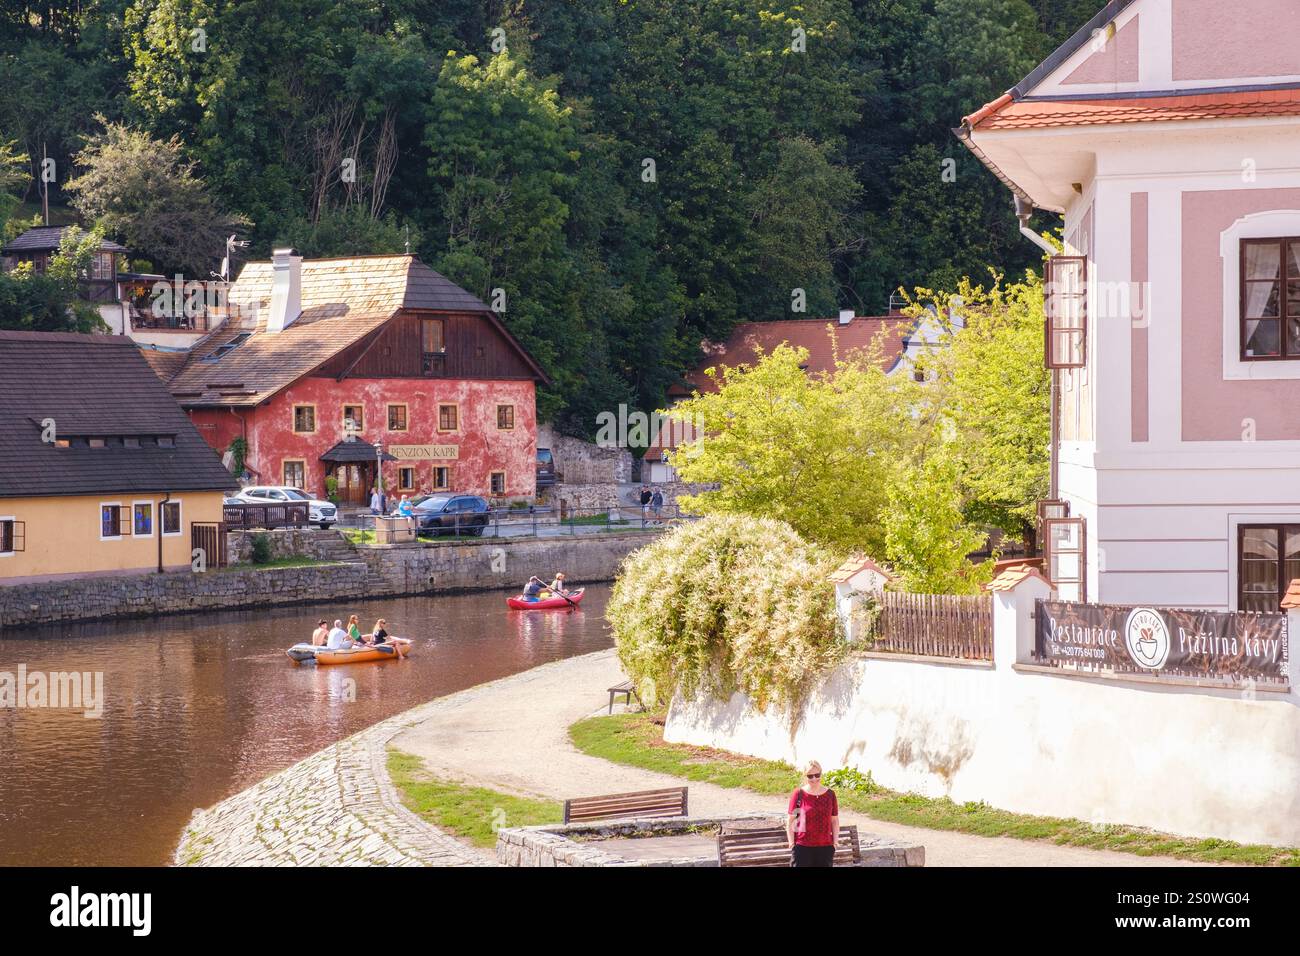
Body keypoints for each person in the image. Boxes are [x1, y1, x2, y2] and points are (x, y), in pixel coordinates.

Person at [786, 760, 839, 867]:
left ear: (821, 774)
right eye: (810, 776)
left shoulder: (830, 795)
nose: (814, 779)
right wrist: (792, 844)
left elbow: (834, 820)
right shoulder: (799, 794)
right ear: (805, 776)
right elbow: (791, 821)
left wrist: (835, 843)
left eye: (817, 775)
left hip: (825, 848)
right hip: (802, 847)